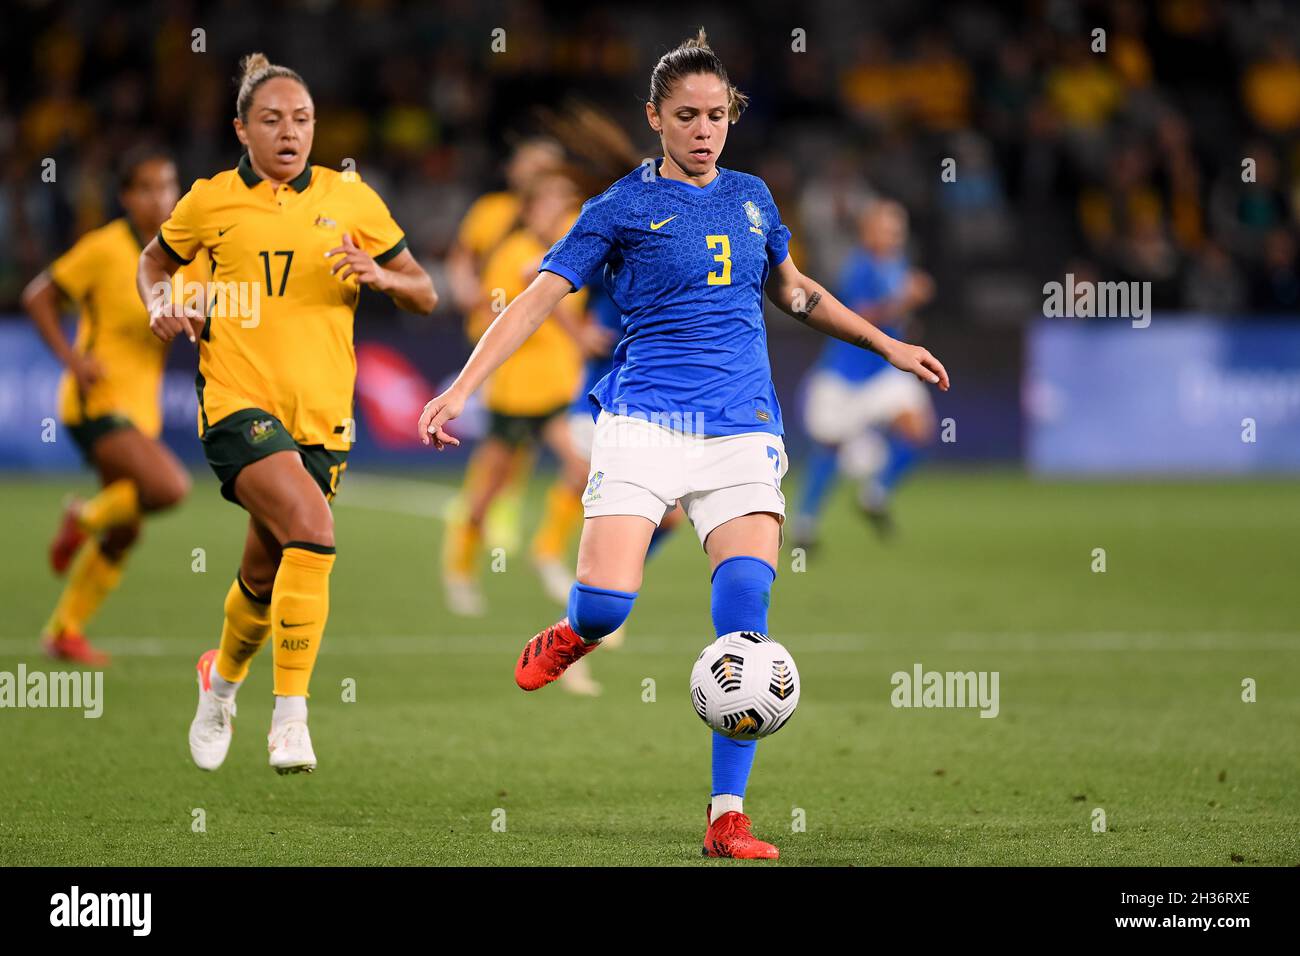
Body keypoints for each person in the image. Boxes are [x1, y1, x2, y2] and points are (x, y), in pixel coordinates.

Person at [418, 30, 948, 859]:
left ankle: (724, 816)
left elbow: (797, 294)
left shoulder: (752, 198)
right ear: (656, 119)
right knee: (608, 603)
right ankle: (573, 633)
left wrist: (886, 346)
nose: (704, 130)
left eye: (717, 116)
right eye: (687, 116)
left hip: (742, 430)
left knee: (746, 631)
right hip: (644, 425)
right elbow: (533, 301)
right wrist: (461, 387)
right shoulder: (620, 208)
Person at [138, 53, 436, 775]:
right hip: (237, 406)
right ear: (242, 128)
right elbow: (155, 260)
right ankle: (291, 717)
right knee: (314, 528)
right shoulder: (210, 201)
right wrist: (159, 301)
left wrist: (380, 275)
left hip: (322, 421)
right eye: (271, 120)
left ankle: (221, 683)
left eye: (301, 119)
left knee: (265, 575)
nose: (288, 132)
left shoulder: (352, 199)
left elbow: (425, 292)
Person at [23, 147, 195, 666]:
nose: (160, 197)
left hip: (140, 412)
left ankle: (63, 630)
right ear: (126, 196)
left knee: (126, 529)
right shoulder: (103, 248)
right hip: (95, 402)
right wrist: (71, 358)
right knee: (168, 487)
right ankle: (83, 516)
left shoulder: (182, 256)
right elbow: (38, 295)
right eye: (147, 187)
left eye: (168, 186)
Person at [793, 199, 936, 546]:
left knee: (918, 430)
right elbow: (859, 319)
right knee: (830, 449)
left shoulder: (896, 265)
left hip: (883, 375)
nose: (893, 235)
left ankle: (875, 494)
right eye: (886, 228)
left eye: (897, 229)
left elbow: (893, 316)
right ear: (868, 231)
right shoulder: (858, 267)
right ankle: (805, 523)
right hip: (844, 377)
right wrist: (905, 302)